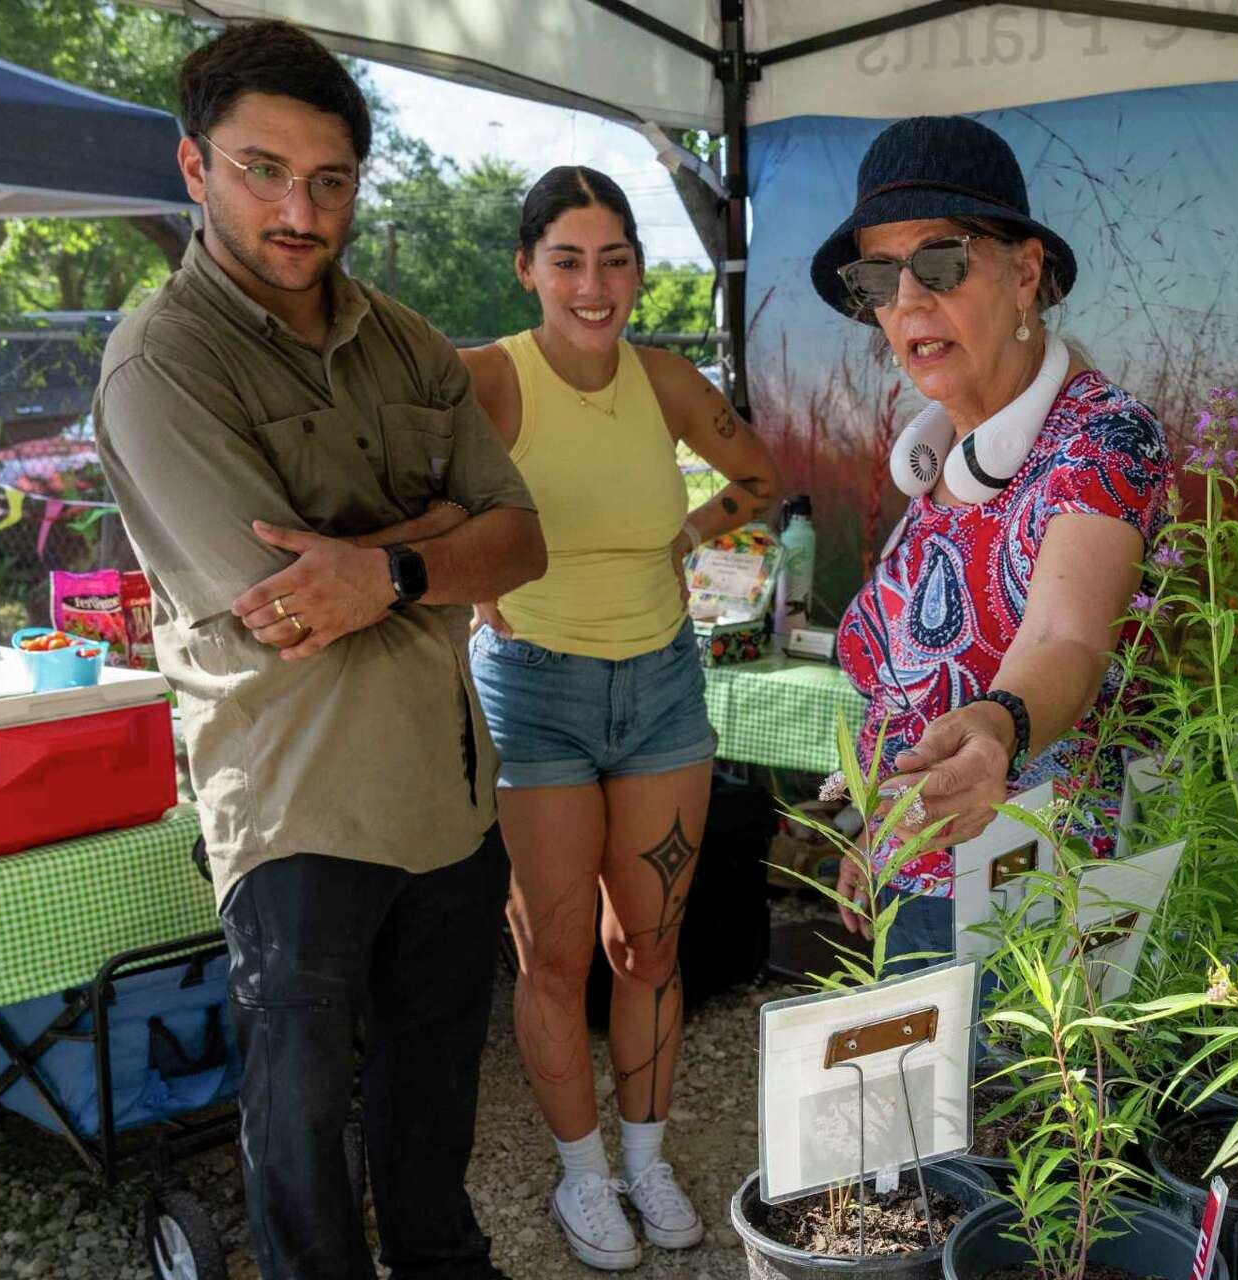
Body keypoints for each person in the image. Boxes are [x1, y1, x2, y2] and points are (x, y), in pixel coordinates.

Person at [94, 22, 545, 1280]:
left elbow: (520, 541)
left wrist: (381, 567)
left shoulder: (407, 340)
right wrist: (439, 535)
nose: (301, 210)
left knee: (434, 1099)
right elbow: (283, 605)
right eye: (264, 171)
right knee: (297, 1132)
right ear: (195, 167)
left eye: (330, 179)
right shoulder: (162, 362)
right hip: (293, 804)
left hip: (448, 793)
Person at [457, 166, 780, 1271]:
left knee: (649, 944)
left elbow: (757, 476)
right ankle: (582, 1174)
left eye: (614, 260)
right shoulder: (489, 378)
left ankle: (646, 1159)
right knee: (553, 958)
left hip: (660, 686)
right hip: (533, 692)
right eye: (567, 261)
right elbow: (406, 489)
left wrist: (686, 535)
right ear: (527, 268)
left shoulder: (666, 379)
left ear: (640, 271)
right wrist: (468, 574)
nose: (593, 286)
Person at [809, 115, 1172, 968]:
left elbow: (1064, 639)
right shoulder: (944, 457)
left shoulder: (1103, 440)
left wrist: (998, 725)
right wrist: (874, 823)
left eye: (940, 262)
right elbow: (915, 682)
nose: (908, 301)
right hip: (917, 872)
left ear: (1025, 274)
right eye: (878, 276)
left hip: (1036, 890)